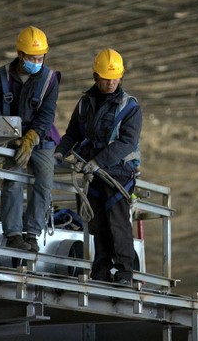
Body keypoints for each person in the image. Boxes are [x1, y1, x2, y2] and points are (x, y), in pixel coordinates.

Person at [55, 48, 142, 286]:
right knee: (97, 224)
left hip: (117, 173)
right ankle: (101, 271)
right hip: (92, 173)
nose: (111, 82)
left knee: (118, 225)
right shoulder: (85, 104)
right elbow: (73, 132)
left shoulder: (129, 106)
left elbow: (127, 142)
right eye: (106, 77)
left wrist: (98, 162)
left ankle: (124, 273)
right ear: (96, 77)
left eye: (115, 77)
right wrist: (61, 152)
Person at [0, 25, 60, 252]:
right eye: (32, 57)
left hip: (40, 137)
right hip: (10, 136)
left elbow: (47, 114)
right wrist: (13, 139)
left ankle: (33, 233)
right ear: (20, 55)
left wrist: (31, 138)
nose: (37, 62)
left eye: (41, 57)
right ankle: (14, 234)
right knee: (12, 179)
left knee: (45, 180)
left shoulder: (49, 79)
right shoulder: (0, 78)